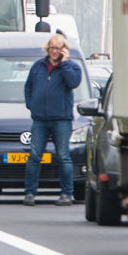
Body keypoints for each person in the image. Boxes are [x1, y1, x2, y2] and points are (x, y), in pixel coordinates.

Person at [22, 33, 82, 206]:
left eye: (58, 48)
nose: (54, 51)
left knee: (63, 156)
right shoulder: (38, 66)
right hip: (40, 119)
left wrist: (64, 64)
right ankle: (30, 193)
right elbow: (28, 87)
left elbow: (73, 83)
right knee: (34, 155)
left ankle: (66, 194)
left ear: (64, 50)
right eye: (52, 48)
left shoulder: (71, 67)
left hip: (61, 119)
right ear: (48, 49)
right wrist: (31, 105)